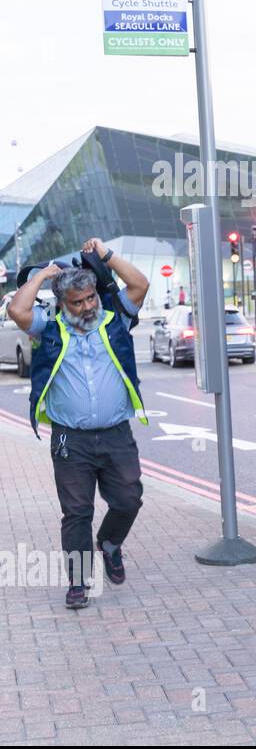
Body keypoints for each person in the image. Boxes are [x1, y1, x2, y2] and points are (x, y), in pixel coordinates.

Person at [7, 238, 150, 609]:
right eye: (77, 302)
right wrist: (42, 277)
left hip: (117, 434)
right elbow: (18, 311)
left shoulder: (115, 321)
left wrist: (106, 255)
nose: (86, 306)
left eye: (90, 299)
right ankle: (78, 582)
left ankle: (110, 543)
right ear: (63, 304)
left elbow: (140, 284)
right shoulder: (50, 330)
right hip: (71, 441)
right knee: (77, 512)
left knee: (129, 499)